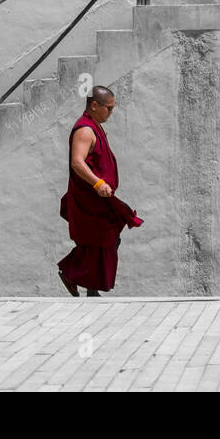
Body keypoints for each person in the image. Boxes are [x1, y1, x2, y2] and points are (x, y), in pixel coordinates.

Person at [57, 86, 142, 296]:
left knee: (101, 240)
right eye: (109, 108)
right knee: (102, 239)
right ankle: (71, 274)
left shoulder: (95, 126)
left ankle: (90, 286)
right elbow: (77, 162)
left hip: (100, 198)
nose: (111, 113)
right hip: (90, 198)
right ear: (94, 105)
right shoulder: (85, 130)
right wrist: (97, 183)